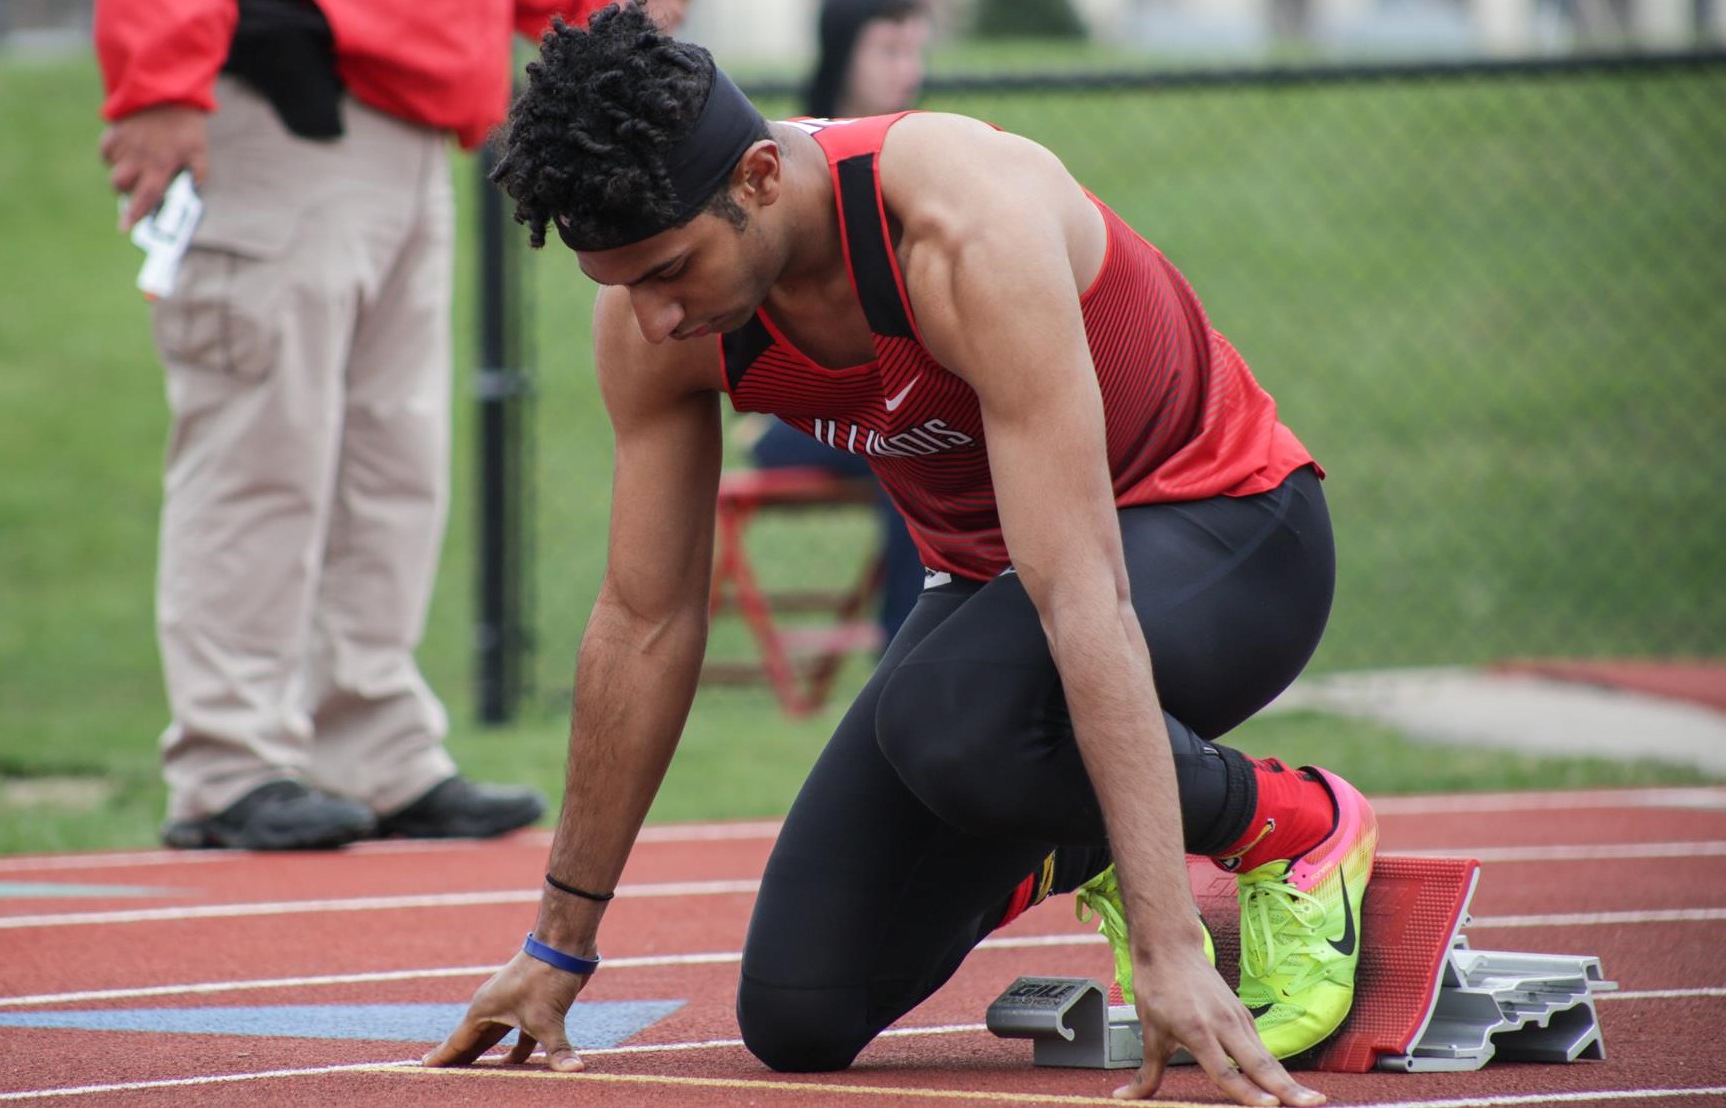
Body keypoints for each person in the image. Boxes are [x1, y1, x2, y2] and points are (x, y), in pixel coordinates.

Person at [426, 7, 1375, 1107]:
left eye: (671, 270)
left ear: (761, 175)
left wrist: (1169, 944)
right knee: (798, 1010)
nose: (652, 320)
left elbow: (1080, 590)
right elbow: (644, 623)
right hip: (994, 598)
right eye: (622, 286)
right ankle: (1073, 829)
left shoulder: (960, 227)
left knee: (947, 715)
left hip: (1221, 529)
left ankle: (1294, 825)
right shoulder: (664, 324)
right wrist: (556, 949)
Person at [92, 0, 609, 850]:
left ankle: (371, 748)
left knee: (392, 464)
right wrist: (159, 79)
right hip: (276, 97)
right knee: (260, 457)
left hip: (414, 124)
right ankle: (229, 763)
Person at [739, 0, 939, 645]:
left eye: (916, 51)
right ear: (843, 52)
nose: (908, 70)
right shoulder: (777, 170)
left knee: (940, 440)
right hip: (800, 415)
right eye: (889, 51)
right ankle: (908, 653)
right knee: (913, 450)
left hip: (907, 399)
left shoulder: (929, 158)